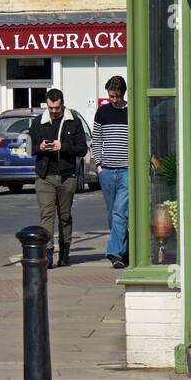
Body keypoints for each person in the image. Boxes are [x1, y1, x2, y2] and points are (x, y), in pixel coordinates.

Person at [27, 89, 88, 268]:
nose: (54, 111)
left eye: (57, 107)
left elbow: (82, 149)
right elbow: (29, 148)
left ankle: (65, 252)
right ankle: (48, 253)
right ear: (47, 105)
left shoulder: (73, 122)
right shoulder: (39, 122)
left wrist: (63, 147)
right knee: (46, 215)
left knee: (65, 216)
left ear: (62, 104)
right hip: (44, 176)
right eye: (51, 107)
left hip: (66, 176)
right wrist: (40, 146)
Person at [94, 75, 131, 269]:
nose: (114, 100)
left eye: (116, 96)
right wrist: (98, 165)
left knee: (119, 212)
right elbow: (97, 139)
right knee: (113, 213)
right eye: (111, 96)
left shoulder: (131, 111)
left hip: (126, 170)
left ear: (123, 94)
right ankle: (125, 251)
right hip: (107, 170)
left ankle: (114, 253)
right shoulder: (102, 112)